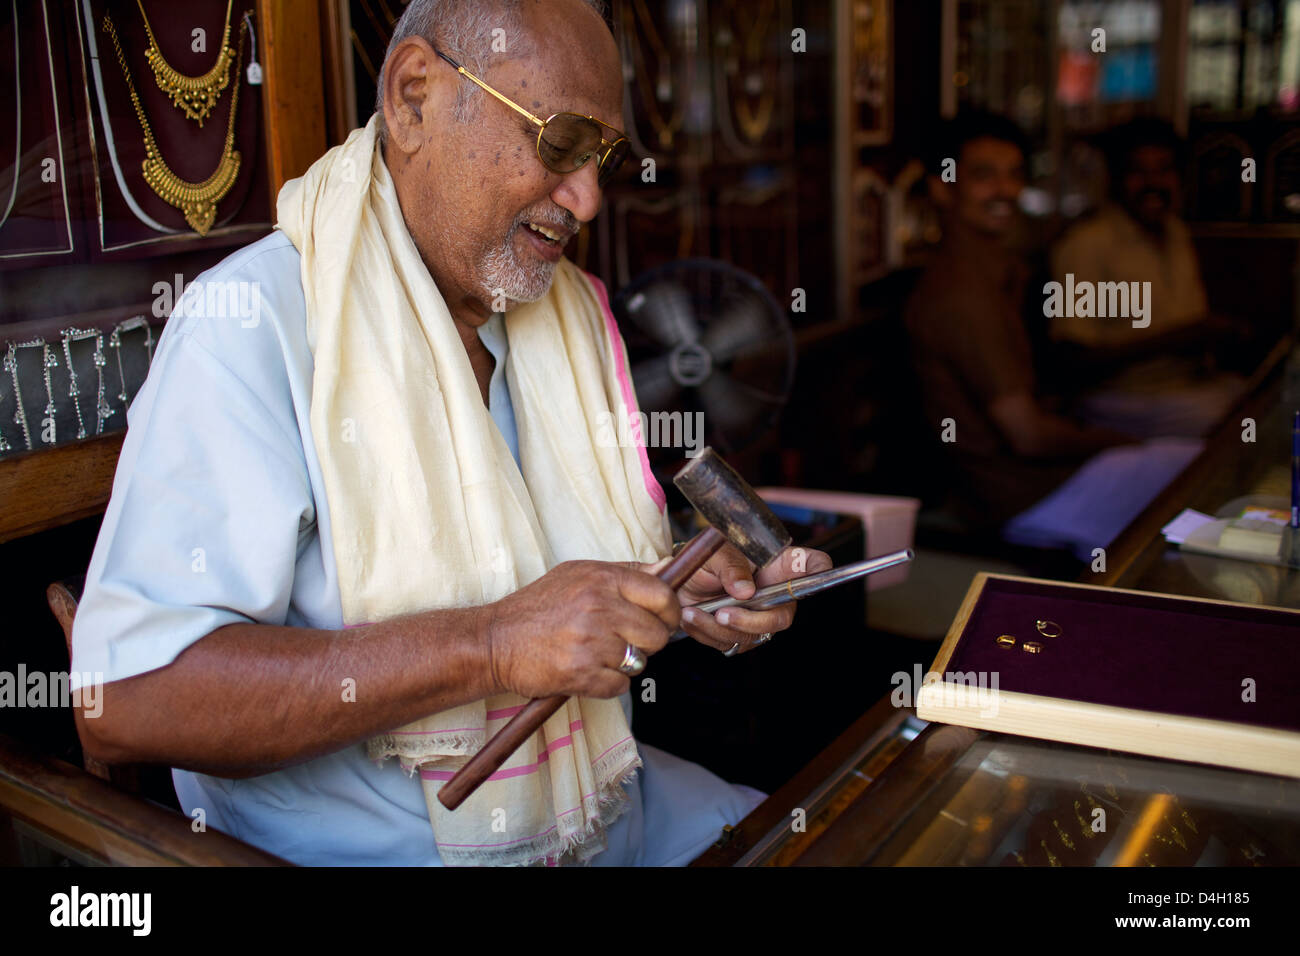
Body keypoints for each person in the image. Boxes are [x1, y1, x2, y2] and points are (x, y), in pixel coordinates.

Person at [68, 0, 828, 867]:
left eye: (601, 159)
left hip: (600, 801)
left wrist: (678, 587)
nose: (586, 198)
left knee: (837, 832)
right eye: (559, 144)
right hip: (386, 852)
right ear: (415, 96)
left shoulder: (559, 319)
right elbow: (123, 698)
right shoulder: (254, 326)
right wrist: (494, 645)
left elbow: (562, 584)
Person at [905, 110, 1202, 556]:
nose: (1005, 190)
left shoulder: (996, 273)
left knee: (1199, 471)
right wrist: (1115, 440)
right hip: (1022, 499)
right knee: (1196, 475)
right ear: (942, 188)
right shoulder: (960, 295)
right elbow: (1029, 436)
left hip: (1042, 480)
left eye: (1014, 175)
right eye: (984, 176)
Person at [1049, 117, 1247, 438]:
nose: (1152, 183)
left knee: (1267, 404)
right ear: (1115, 179)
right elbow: (1071, 363)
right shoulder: (1088, 245)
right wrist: (1176, 340)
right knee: (1231, 427)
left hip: (1187, 386)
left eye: (1164, 170)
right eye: (1138, 172)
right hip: (1121, 400)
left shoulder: (1175, 232)